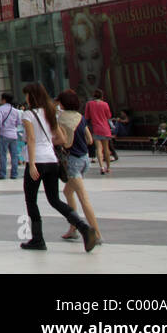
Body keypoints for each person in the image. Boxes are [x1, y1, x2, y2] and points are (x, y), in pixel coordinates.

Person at [18, 82, 97, 252]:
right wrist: (46, 143)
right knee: (54, 199)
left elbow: (31, 139)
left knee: (31, 200)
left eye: (26, 95)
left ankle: (38, 240)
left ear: (31, 96)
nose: (25, 98)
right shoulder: (50, 112)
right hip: (52, 161)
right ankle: (83, 227)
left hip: (37, 161)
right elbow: (61, 139)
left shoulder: (27, 115)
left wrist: (31, 163)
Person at [56, 90, 101, 246]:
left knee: (83, 199)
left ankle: (96, 233)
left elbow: (66, 143)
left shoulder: (61, 119)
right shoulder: (80, 117)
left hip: (73, 161)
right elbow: (89, 139)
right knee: (67, 191)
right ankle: (73, 228)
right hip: (85, 159)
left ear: (62, 103)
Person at [83, 89, 114, 175]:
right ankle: (108, 167)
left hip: (96, 129)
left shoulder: (89, 104)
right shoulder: (105, 104)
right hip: (106, 129)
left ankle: (101, 167)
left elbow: (86, 116)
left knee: (99, 148)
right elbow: (109, 116)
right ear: (102, 96)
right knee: (106, 148)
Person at [0, 92, 21, 180]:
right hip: (14, 135)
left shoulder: (0, 109)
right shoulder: (16, 110)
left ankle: (2, 173)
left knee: (3, 155)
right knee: (14, 155)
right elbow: (18, 123)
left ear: (4, 100)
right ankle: (14, 174)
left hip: (4, 134)